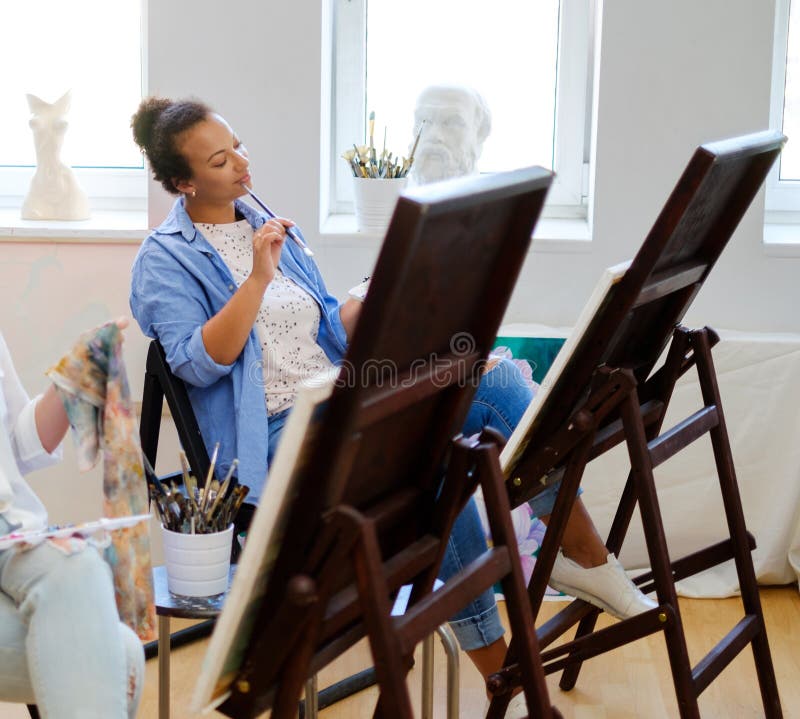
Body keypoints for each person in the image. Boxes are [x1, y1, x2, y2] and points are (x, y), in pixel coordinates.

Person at [129, 96, 655, 706]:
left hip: (338, 396)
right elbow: (197, 363)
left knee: (497, 381)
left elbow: (322, 326)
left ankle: (579, 556)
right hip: (276, 435)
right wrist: (256, 280)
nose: (242, 164)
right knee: (436, 457)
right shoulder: (163, 259)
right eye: (221, 160)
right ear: (184, 183)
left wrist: (378, 292)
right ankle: (505, 670)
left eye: (239, 145)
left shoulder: (260, 218)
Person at [0, 324, 144, 718]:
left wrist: (73, 374)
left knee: (79, 562)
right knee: (125, 657)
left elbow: (19, 444)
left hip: (11, 533)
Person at [410, 83, 492, 186]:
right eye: (424, 121)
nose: (434, 136)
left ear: (480, 133)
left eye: (452, 123)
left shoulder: (491, 198)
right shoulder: (398, 193)